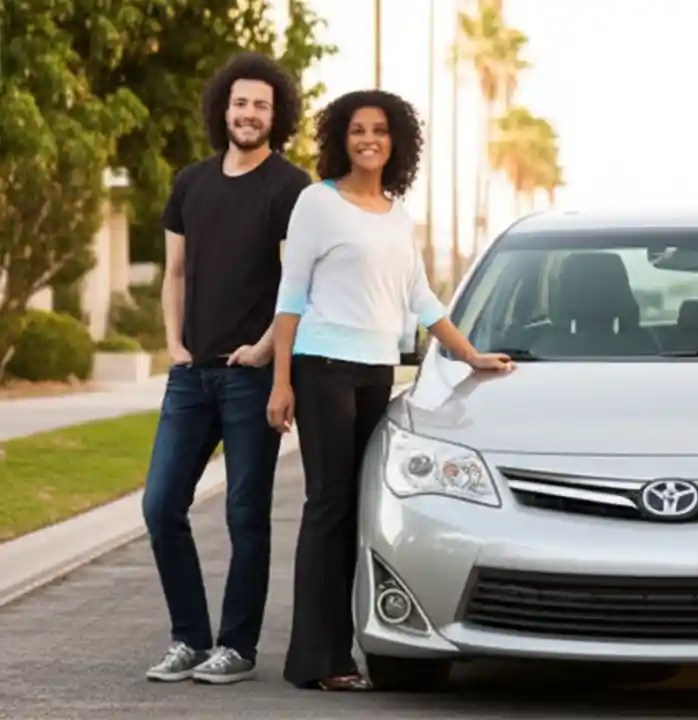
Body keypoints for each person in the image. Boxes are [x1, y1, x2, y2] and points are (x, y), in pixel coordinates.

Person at [267, 89, 515, 691]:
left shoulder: (397, 215)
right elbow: (291, 295)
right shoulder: (317, 202)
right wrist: (280, 382)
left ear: (395, 142)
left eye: (379, 130)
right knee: (328, 507)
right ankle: (317, 660)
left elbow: (421, 298)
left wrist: (469, 354)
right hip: (323, 366)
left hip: (376, 370)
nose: (368, 140)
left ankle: (342, 652)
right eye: (358, 130)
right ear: (341, 139)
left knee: (358, 509)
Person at [141, 52, 313, 685]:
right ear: (223, 108)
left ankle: (236, 646)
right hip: (190, 377)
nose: (249, 113)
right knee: (161, 506)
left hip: (250, 377)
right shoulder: (191, 182)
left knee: (245, 516)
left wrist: (266, 350)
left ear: (277, 115)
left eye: (261, 105)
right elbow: (175, 273)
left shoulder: (290, 187)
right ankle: (189, 638)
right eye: (240, 102)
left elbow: (297, 283)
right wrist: (173, 343)